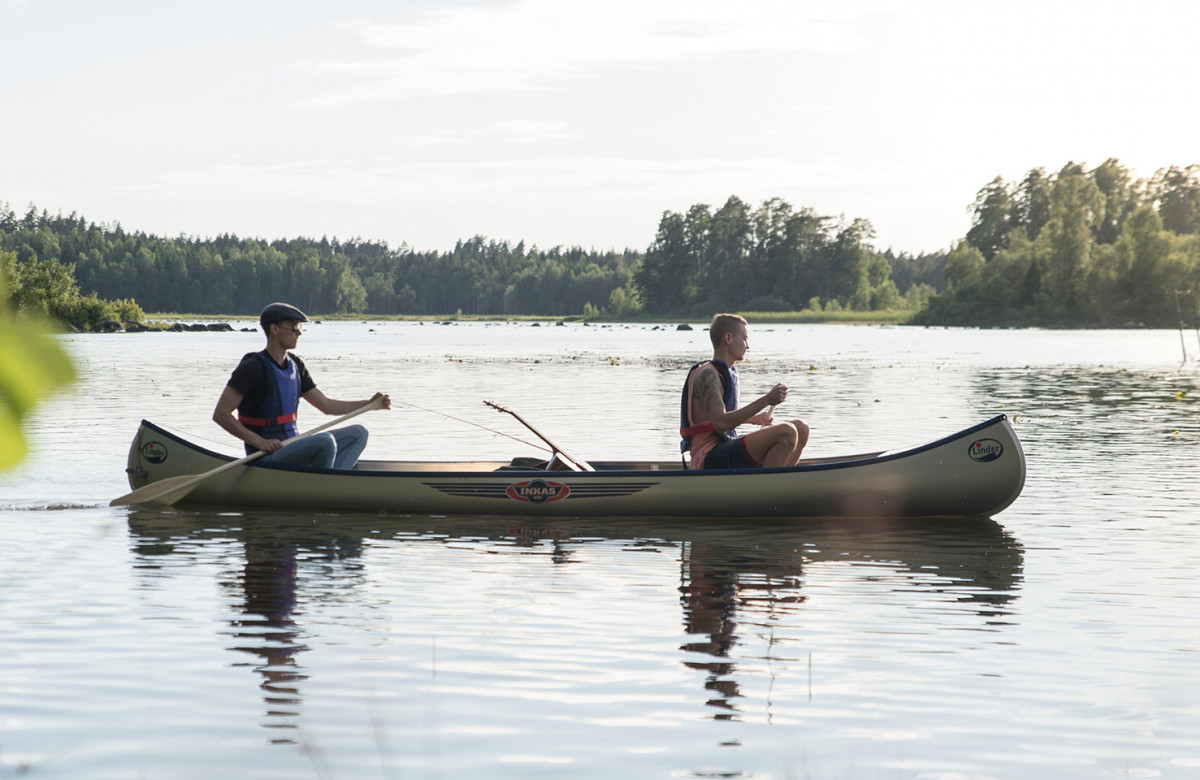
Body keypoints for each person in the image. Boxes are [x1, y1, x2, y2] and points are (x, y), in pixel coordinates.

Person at [213, 302, 391, 469]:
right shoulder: (252, 368)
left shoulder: (295, 365)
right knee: (325, 441)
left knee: (359, 434)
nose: (299, 333)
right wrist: (260, 442)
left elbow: (327, 405)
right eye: (294, 327)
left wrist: (369, 404)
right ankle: (325, 487)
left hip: (292, 446)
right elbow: (221, 414)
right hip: (264, 456)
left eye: (299, 327)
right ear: (274, 329)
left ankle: (333, 483)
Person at [680, 313, 809, 469]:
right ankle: (766, 488)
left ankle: (777, 481)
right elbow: (720, 423)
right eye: (744, 339)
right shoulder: (708, 375)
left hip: (724, 448)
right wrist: (767, 400)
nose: (748, 346)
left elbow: (717, 418)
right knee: (787, 432)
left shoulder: (726, 372)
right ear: (728, 339)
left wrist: (754, 419)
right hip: (708, 458)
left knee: (801, 428)